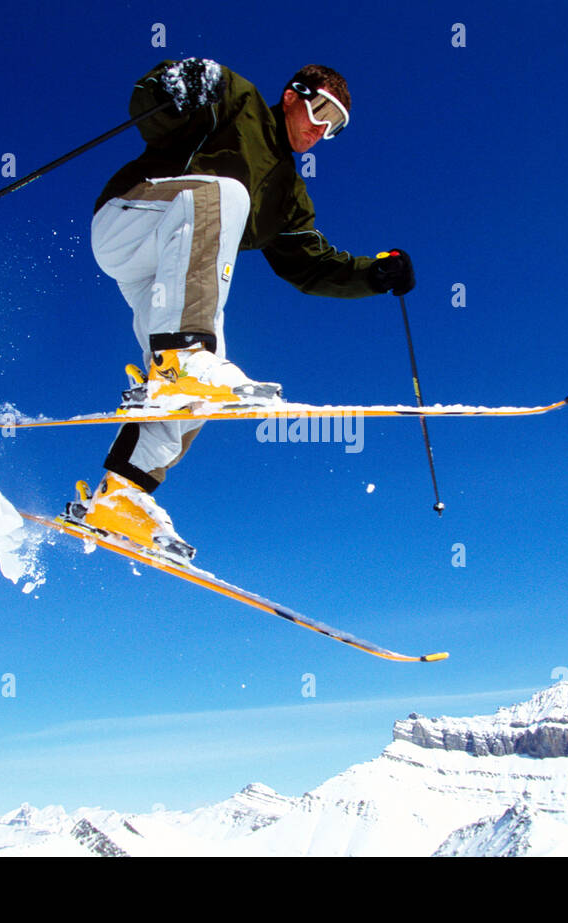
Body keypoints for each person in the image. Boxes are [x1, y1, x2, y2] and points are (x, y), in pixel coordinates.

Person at [71, 58, 415, 561]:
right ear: (293, 95)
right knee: (225, 195)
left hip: (164, 271)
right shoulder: (238, 100)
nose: (321, 129)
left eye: (336, 125)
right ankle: (184, 356)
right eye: (320, 110)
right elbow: (152, 109)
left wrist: (372, 275)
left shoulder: (289, 196)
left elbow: (310, 264)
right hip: (134, 216)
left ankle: (120, 495)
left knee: (201, 392)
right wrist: (177, 83)